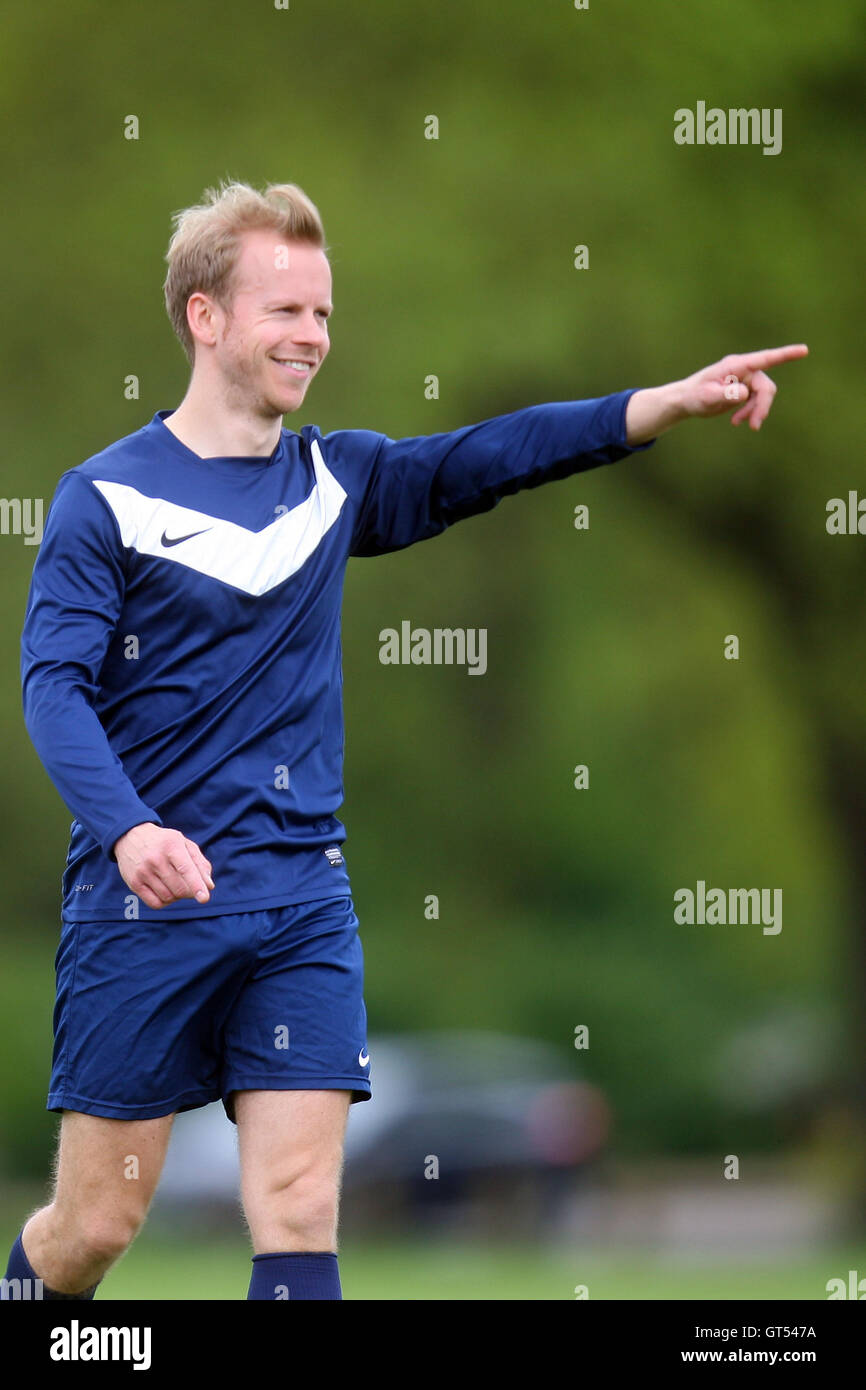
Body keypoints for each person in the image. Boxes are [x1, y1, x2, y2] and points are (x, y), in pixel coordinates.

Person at [4, 179, 807, 1302]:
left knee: (295, 1210)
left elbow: (490, 455)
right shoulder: (103, 499)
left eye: (324, 313)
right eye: (286, 311)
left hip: (298, 903)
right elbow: (51, 692)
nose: (313, 336)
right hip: (145, 912)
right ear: (205, 317)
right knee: (93, 1228)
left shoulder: (335, 482)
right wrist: (128, 827)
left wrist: (660, 405)